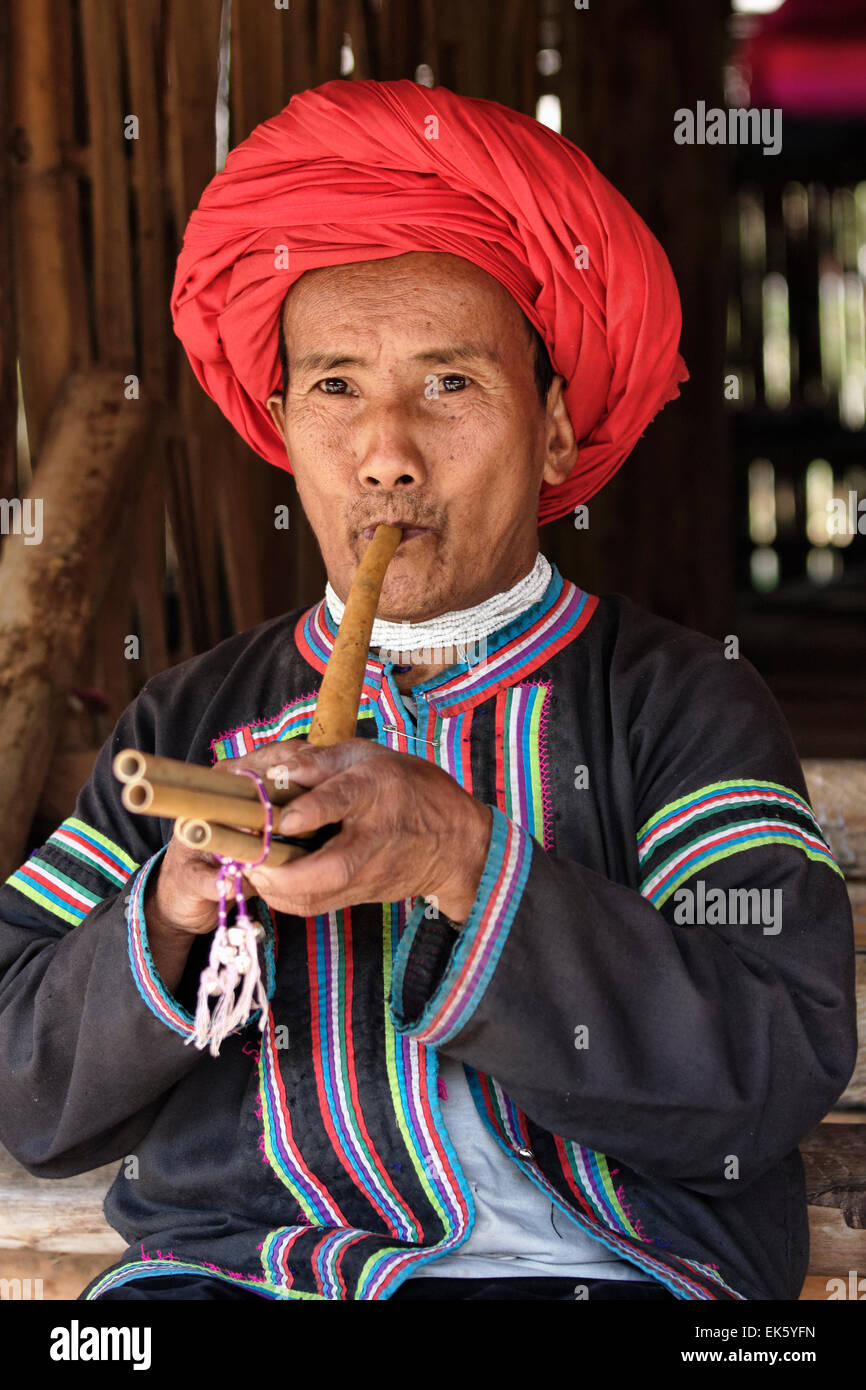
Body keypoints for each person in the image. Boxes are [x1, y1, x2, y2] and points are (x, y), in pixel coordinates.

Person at [0, 79, 856, 1303]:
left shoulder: (676, 703)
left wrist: (461, 854)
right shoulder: (189, 723)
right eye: (335, 385)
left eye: (448, 384)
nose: (386, 450)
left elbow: (771, 1058)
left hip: (611, 1278)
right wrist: (171, 911)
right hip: (241, 1284)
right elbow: (19, 1083)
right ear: (282, 417)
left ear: (554, 432)